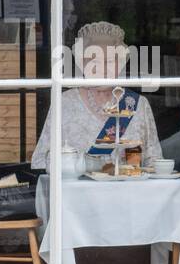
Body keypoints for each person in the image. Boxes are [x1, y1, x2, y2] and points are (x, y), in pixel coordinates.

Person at [31, 20, 161, 170]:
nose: (103, 69)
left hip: (129, 191)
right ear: (81, 63)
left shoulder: (138, 105)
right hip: (79, 193)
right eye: (94, 61)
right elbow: (40, 162)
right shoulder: (64, 103)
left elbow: (155, 161)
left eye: (111, 61)